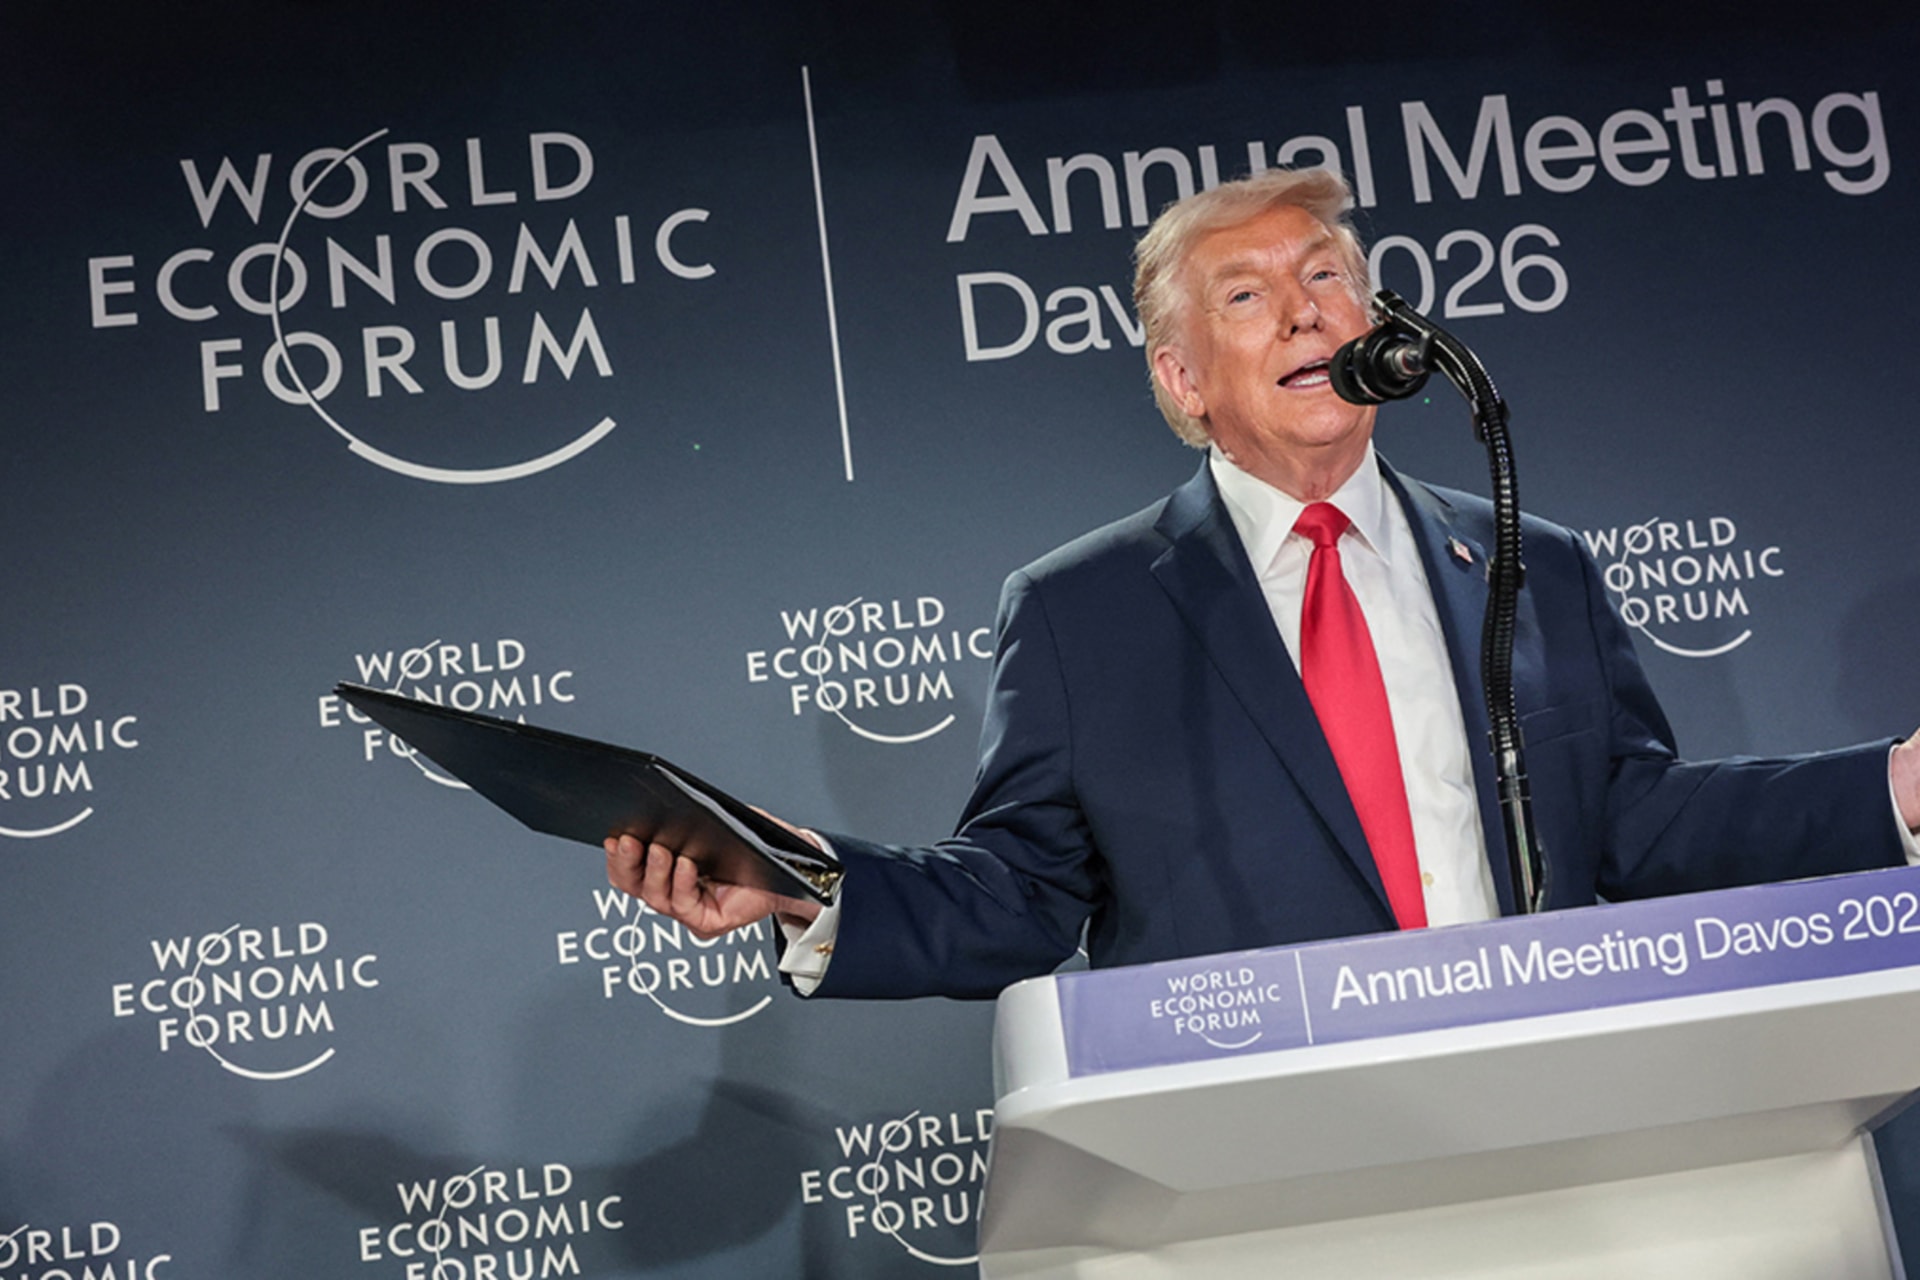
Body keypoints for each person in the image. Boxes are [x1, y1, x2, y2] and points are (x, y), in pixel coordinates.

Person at [608, 168, 1920, 1000]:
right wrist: (806, 881)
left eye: (1327, 278)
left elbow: (1634, 827)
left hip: (1553, 1109)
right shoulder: (1081, 614)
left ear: (1382, 330)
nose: (1305, 312)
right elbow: (1022, 893)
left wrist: (1897, 787)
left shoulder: (1533, 564)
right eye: (1247, 296)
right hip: (1269, 1165)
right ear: (1181, 379)